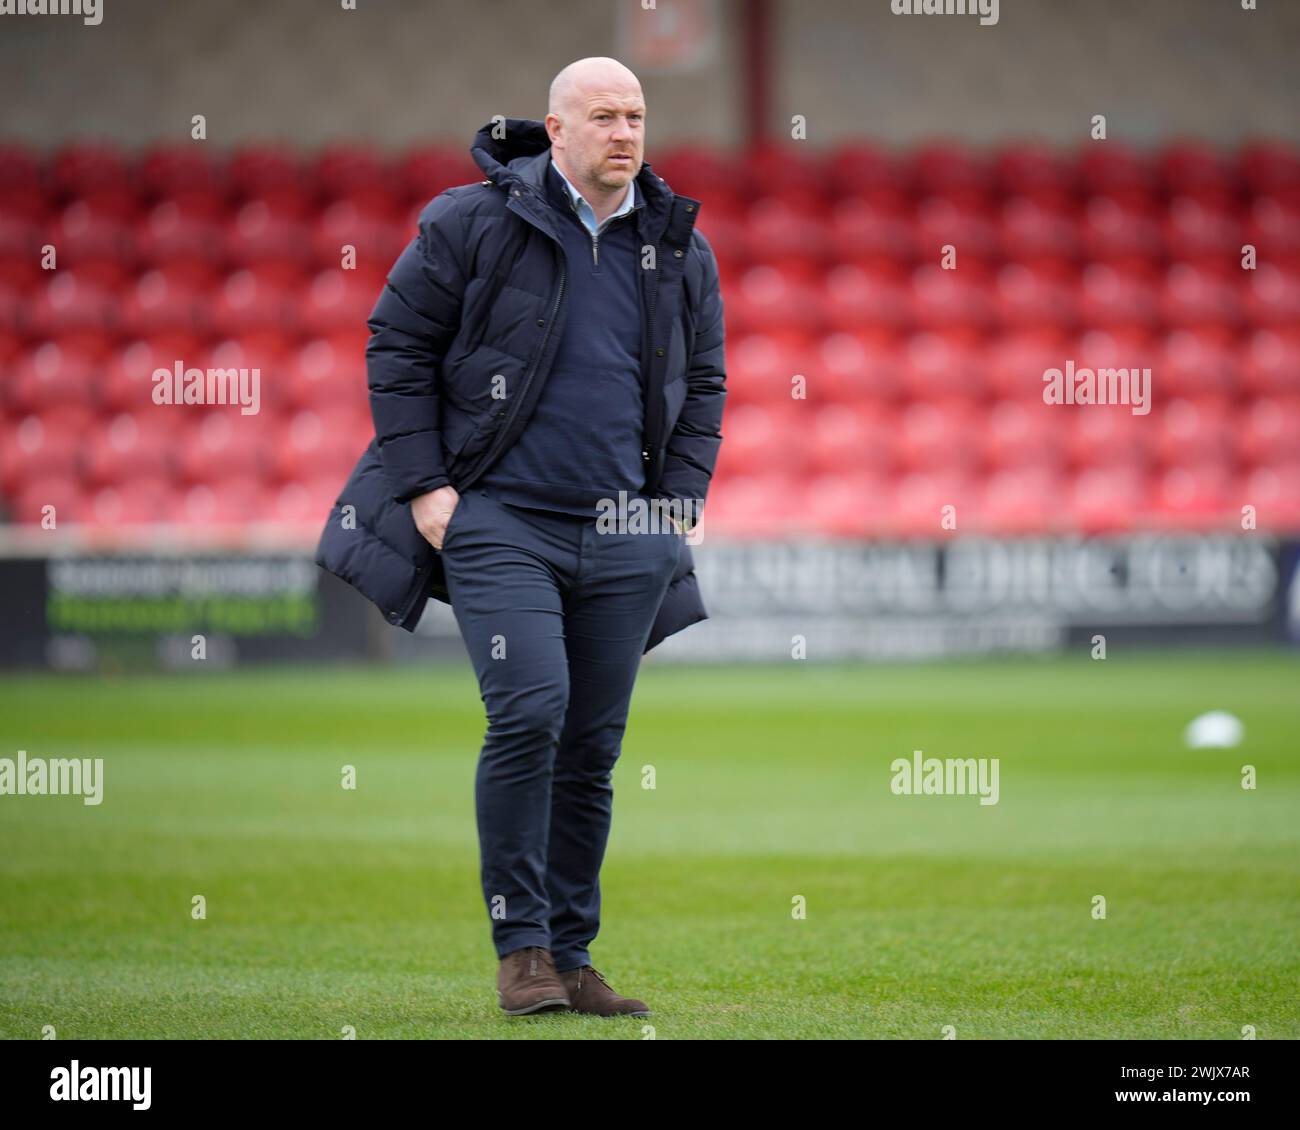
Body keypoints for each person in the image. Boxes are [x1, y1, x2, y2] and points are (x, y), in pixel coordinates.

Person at [316, 56, 726, 1017]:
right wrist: (425, 486)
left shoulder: (677, 247)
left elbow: (703, 383)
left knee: (592, 745)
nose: (625, 133)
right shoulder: (470, 222)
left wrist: (677, 504)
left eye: (636, 116)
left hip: (627, 529)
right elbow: (397, 344)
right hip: (498, 519)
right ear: (554, 127)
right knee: (531, 711)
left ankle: (574, 958)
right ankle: (522, 951)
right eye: (603, 116)